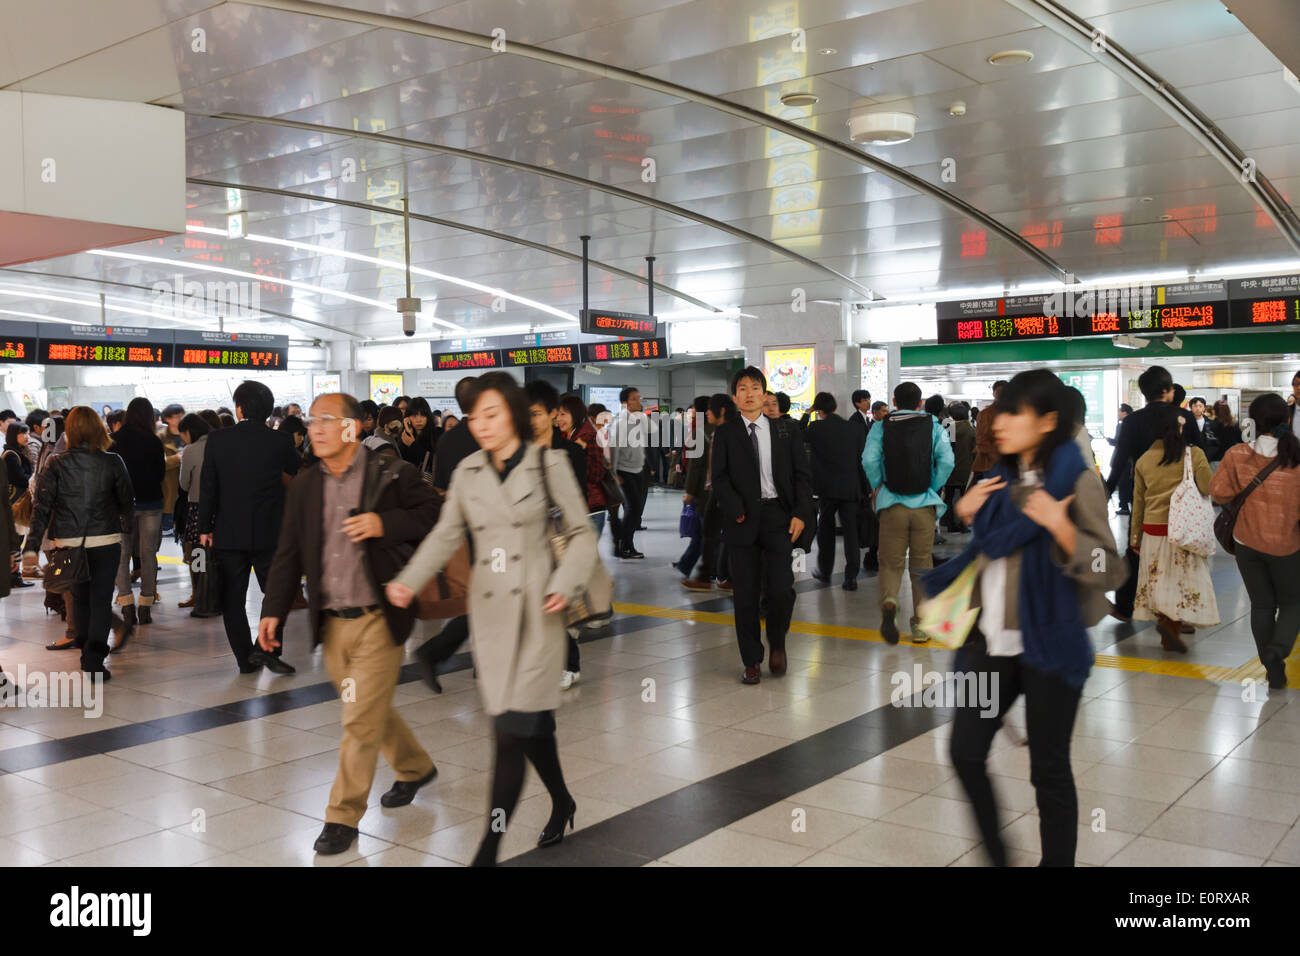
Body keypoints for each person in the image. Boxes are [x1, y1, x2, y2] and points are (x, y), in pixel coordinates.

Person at [387, 371, 598, 866]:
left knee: (508, 733)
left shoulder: (549, 465)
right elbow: (444, 535)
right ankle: (563, 799)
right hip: (491, 618)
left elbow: (583, 535)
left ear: (515, 416)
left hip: (540, 614)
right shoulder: (467, 474)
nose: (480, 425)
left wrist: (564, 584)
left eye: (492, 414)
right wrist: (408, 580)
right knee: (531, 726)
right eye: (474, 416)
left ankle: (488, 848)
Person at [928, 369, 1127, 867]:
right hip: (988, 641)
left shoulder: (1076, 478)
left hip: (1049, 644)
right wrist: (968, 514)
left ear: (1047, 421)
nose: (999, 423)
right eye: (1001, 412)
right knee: (966, 752)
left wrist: (1062, 527)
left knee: (1049, 770)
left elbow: (1111, 569)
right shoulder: (998, 478)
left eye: (1015, 413)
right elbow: (991, 553)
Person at [257, 392, 439, 856]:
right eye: (311, 420)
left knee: (358, 721)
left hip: (381, 615)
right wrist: (272, 610)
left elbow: (435, 514)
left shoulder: (391, 474)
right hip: (333, 623)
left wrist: (384, 523)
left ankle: (342, 817)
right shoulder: (304, 485)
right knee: (369, 708)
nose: (314, 428)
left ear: (352, 427)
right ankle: (415, 765)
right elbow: (288, 552)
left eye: (325, 419)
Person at [710, 366, 814, 684]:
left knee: (782, 590)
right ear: (734, 397)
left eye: (756, 388)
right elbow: (720, 477)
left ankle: (778, 643)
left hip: (778, 518)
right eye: (743, 388)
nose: (750, 393)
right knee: (745, 594)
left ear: (765, 394)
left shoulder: (785, 430)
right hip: (742, 520)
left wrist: (800, 513)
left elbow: (802, 475)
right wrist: (735, 508)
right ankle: (752, 660)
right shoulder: (725, 433)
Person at [24, 408, 134, 681]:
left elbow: (42, 507)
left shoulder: (56, 463)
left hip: (68, 543)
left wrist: (31, 546)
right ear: (99, 429)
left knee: (80, 600)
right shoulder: (113, 461)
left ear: (69, 431)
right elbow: (126, 501)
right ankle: (94, 660)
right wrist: (125, 526)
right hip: (105, 540)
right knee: (100, 601)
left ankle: (87, 650)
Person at [199, 380, 301, 675]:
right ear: (269, 409)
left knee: (233, 598)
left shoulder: (218, 440)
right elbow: (295, 470)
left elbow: (208, 487)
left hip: (229, 532)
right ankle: (268, 650)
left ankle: (245, 660)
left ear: (239, 407)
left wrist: (205, 527)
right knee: (275, 595)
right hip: (271, 530)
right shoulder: (280, 441)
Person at [1210, 393, 1300, 689]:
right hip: (1287, 544)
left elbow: (1218, 493)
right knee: (1292, 603)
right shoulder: (1296, 456)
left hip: (1247, 543)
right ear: (1286, 420)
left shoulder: (1237, 454)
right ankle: (1279, 648)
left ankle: (1271, 666)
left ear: (1253, 421)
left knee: (1261, 606)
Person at [1106, 366, 1200, 620]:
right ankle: (1180, 613)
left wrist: (1107, 491)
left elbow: (1119, 460)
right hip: (1181, 497)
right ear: (1168, 391)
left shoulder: (1132, 421)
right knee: (1182, 551)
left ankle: (1125, 606)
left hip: (1145, 496)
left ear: (1145, 393)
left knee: (1136, 549)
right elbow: (1198, 454)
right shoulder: (1185, 417)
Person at [863, 381, 954, 644]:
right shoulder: (934, 426)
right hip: (923, 503)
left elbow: (868, 459)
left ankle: (890, 598)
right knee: (922, 563)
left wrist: (878, 485)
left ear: (893, 402)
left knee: (890, 562)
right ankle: (921, 625)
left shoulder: (881, 426)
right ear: (920, 403)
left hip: (892, 503)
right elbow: (947, 460)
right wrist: (932, 486)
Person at [1130, 404, 1218, 652]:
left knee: (1158, 580)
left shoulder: (1144, 459)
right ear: (1180, 426)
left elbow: (1138, 502)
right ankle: (1171, 626)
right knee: (1182, 581)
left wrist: (1134, 537)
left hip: (1152, 530)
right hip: (1184, 530)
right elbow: (1207, 487)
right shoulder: (1194, 454)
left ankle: (1166, 626)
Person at [109, 398, 165, 634]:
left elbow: (110, 473)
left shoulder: (116, 440)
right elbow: (160, 473)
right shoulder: (153, 441)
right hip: (151, 501)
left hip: (122, 506)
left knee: (121, 556)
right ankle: (146, 606)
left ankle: (127, 606)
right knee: (148, 553)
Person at [804, 391, 863, 590]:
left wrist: (807, 413)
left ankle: (825, 571)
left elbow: (798, 432)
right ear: (836, 406)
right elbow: (860, 460)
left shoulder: (815, 427)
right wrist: (865, 487)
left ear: (818, 410)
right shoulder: (853, 429)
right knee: (851, 533)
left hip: (827, 489)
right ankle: (851, 576)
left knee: (825, 532)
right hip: (850, 487)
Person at [177, 413, 220, 618]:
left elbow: (184, 483)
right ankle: (217, 597)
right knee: (217, 554)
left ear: (189, 431)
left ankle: (200, 596)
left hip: (197, 508)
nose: (183, 438)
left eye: (182, 434)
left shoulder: (191, 450)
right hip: (221, 508)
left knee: (197, 554)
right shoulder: (220, 445)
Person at [674, 396, 711, 586]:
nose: (691, 413)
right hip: (704, 491)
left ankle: (705, 572)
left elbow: (697, 466)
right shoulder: (703, 430)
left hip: (703, 492)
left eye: (694, 409)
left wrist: (689, 491)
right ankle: (686, 565)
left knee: (705, 534)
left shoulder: (701, 432)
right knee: (701, 532)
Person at [608, 387, 649, 559]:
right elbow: (614, 449)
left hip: (638, 469)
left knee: (636, 511)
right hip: (625, 472)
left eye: (638, 398)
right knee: (633, 509)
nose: (639, 401)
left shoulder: (637, 420)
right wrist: (614, 473)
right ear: (625, 403)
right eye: (634, 399)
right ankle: (621, 545)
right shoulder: (620, 423)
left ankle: (626, 545)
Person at [3, 423, 33, 590]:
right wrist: (33, 477)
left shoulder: (18, 452)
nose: (27, 436)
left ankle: (14, 574)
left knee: (16, 539)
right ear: (14, 435)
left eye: (27, 433)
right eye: (23, 434)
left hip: (17, 503)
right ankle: (13, 575)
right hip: (15, 503)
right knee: (15, 539)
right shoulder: (11, 455)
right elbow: (21, 479)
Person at [942, 402, 975, 532]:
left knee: (948, 498)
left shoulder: (949, 427)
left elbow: (945, 449)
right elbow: (974, 449)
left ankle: (950, 525)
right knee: (965, 497)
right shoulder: (970, 429)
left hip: (949, 468)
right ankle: (964, 525)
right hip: (966, 469)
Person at [970, 380, 1007, 485]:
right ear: (993, 393)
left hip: (1006, 465)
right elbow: (981, 441)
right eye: (998, 391)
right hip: (989, 465)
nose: (1001, 394)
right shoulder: (985, 414)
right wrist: (999, 460)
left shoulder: (1012, 412)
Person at [159, 403, 185, 537]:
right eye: (176, 416)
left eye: (182, 415)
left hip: (187, 487)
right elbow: (159, 464)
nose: (180, 419)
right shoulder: (160, 438)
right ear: (167, 418)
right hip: (169, 487)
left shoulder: (189, 435)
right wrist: (178, 458)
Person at [398, 397, 438, 471]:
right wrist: (407, 430)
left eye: (422, 415)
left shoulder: (436, 434)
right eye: (414, 416)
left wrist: (413, 445)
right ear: (407, 418)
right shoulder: (404, 435)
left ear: (428, 417)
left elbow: (436, 461)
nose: (418, 420)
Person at [1109, 404, 1134, 514]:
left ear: (1124, 413)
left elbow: (1119, 442)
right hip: (1131, 460)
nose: (1118, 413)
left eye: (1119, 411)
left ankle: (1124, 507)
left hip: (1122, 460)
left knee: (1122, 483)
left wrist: (1110, 441)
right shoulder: (1133, 424)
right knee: (1129, 483)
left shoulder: (1122, 425)